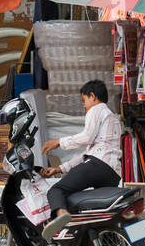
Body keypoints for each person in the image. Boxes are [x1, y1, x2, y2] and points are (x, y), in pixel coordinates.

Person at [40, 79, 122, 219]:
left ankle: (62, 217)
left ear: (92, 96)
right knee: (101, 213)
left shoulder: (96, 109)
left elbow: (86, 138)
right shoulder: (113, 118)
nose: (84, 106)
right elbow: (88, 154)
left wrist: (59, 142)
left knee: (56, 191)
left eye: (84, 100)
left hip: (98, 166)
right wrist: (59, 169)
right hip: (113, 172)